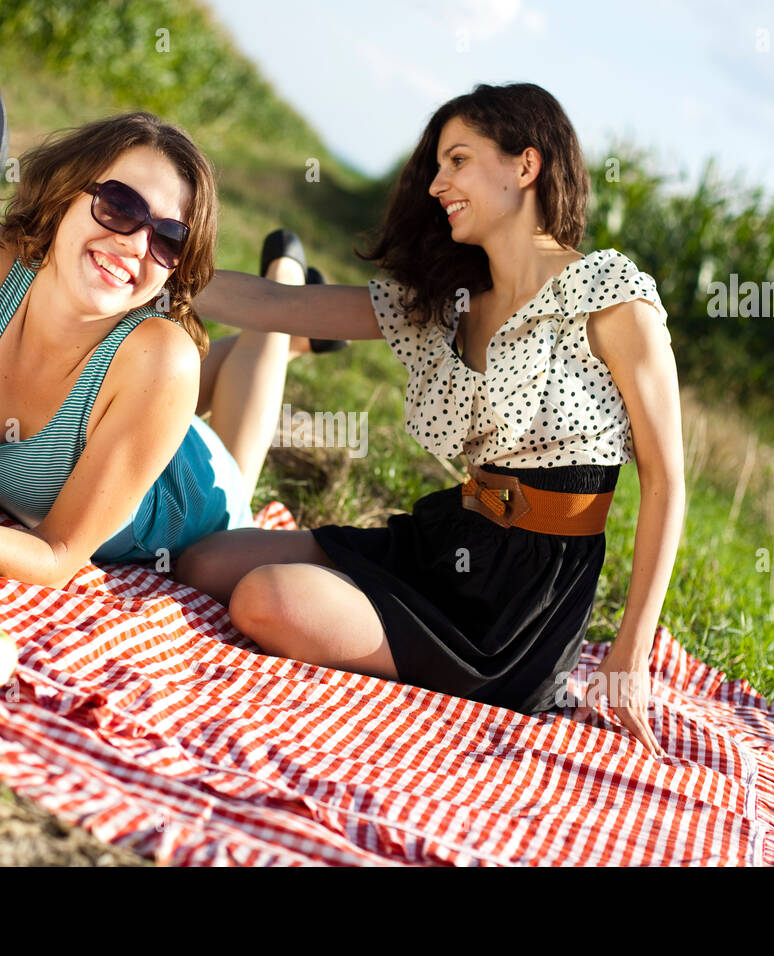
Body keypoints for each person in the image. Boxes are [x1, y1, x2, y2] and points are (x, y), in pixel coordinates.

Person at [174, 83, 684, 758]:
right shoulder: (451, 301)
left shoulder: (611, 298)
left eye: (458, 161)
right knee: (202, 561)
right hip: (450, 536)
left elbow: (667, 482)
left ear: (525, 167)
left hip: (517, 609)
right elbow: (276, 304)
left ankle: (390, 633)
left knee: (266, 599)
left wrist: (630, 654)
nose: (439, 183)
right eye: (438, 165)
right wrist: (158, 267)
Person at [0, 111, 335, 588]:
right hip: (134, 399)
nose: (134, 243)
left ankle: (283, 288)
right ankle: (291, 337)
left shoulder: (164, 361)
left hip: (194, 494)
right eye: (120, 205)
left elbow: (56, 555)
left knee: (237, 465)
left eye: (168, 239)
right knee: (161, 378)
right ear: (65, 192)